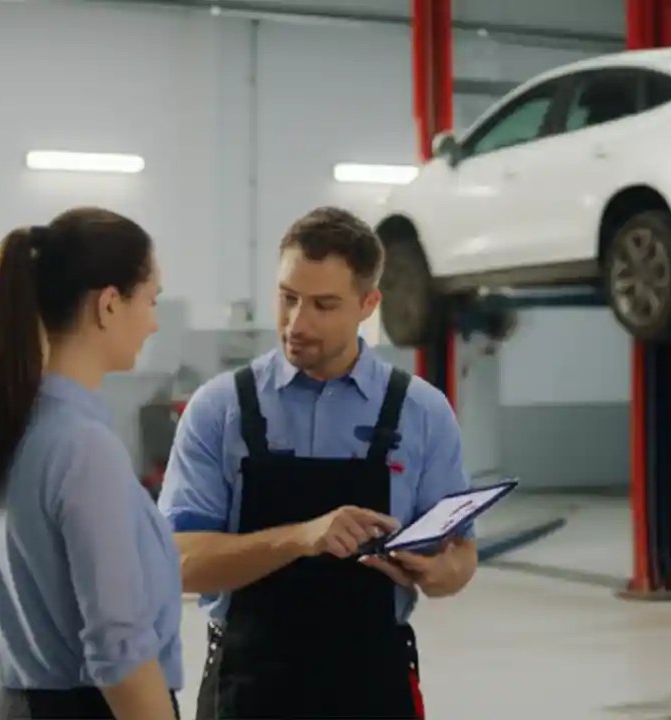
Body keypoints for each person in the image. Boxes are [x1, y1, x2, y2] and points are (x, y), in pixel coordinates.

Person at [158, 206, 478, 719]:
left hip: (373, 685)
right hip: (249, 687)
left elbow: (462, 557)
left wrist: (437, 571)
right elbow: (179, 563)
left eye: (324, 305)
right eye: (288, 298)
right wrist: (303, 537)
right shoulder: (221, 409)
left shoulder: (422, 412)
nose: (296, 323)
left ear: (368, 304)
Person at [0, 207, 184, 720]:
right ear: (108, 305)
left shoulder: (14, 425)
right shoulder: (83, 446)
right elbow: (118, 648)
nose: (154, 321)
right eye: (151, 299)